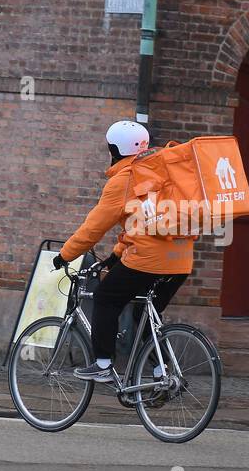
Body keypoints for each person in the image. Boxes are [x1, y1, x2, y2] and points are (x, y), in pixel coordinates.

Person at [52, 120, 193, 383]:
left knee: (105, 298)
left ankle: (103, 364)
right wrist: (116, 255)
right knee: (146, 314)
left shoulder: (123, 181)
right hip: (181, 259)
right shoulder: (164, 169)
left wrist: (64, 255)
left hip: (149, 260)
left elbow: (92, 229)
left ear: (113, 149)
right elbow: (140, 223)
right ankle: (163, 374)